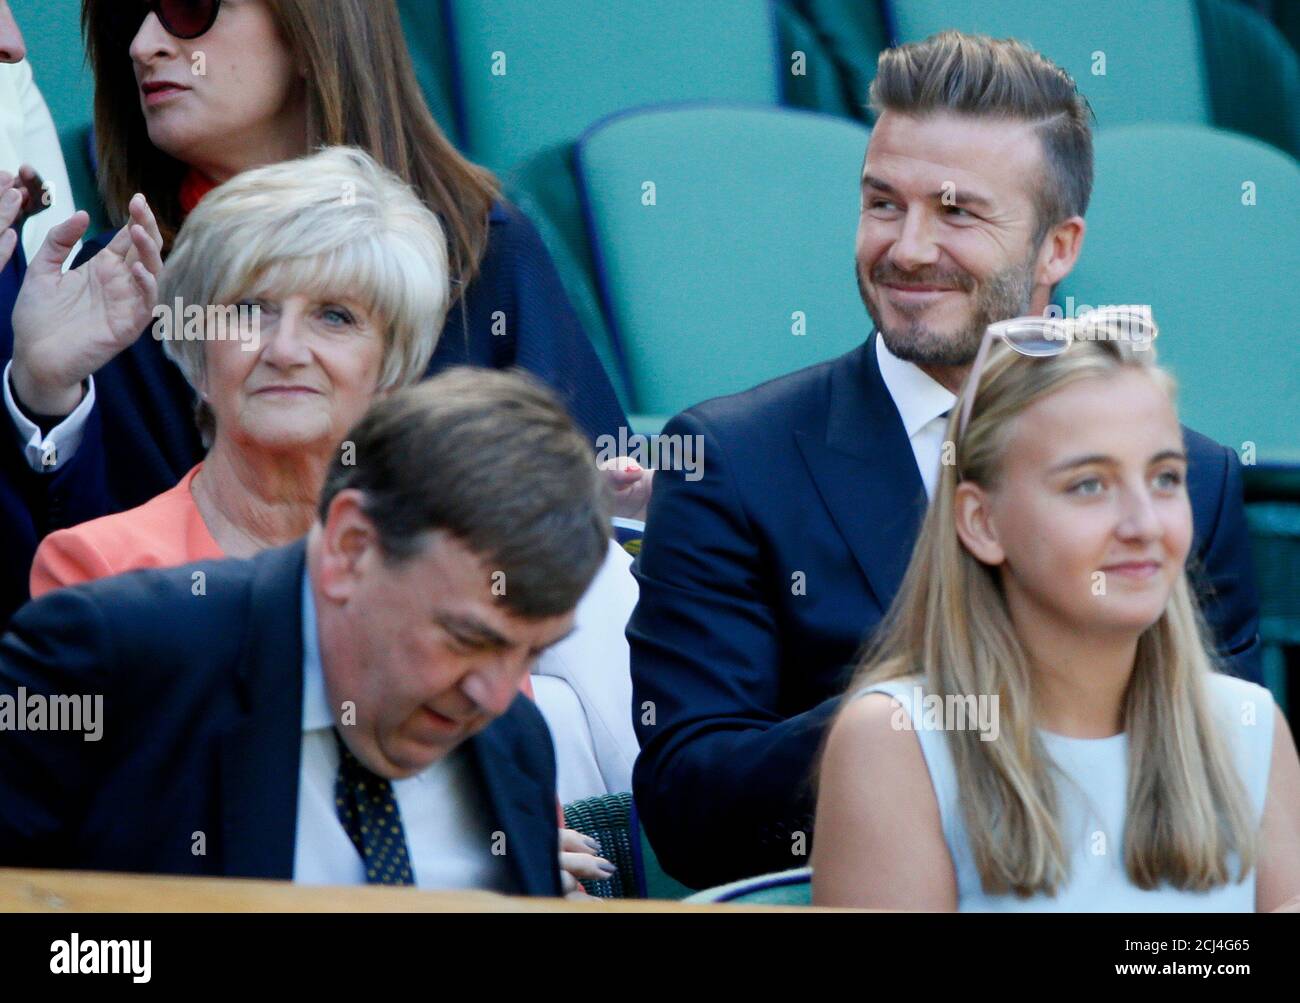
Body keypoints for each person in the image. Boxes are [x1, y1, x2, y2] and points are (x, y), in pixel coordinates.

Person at [629, 31, 1264, 890]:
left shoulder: (1194, 482)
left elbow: (1229, 807)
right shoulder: (730, 460)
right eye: (883, 203)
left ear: (1059, 247)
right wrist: (958, 693)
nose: (909, 248)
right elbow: (689, 811)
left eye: (957, 211)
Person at [26, 145, 639, 811]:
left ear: (392, 368)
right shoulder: (100, 568)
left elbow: (503, 802)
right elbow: (119, 827)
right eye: (250, 310)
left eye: (335, 316)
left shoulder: (458, 563)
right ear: (198, 353)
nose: (286, 349)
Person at [0, 0, 641, 624]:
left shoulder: (480, 250)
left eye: (187, 7)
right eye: (126, 16)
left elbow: (591, 547)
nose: (143, 45)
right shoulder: (104, 290)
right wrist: (44, 395)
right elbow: (63, 620)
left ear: (310, 30)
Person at [0, 368, 610, 894]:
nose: (494, 696)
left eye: (530, 653)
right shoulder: (114, 659)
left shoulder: (514, 741)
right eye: (466, 639)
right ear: (350, 549)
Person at [813, 319, 1300, 911]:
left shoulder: (1248, 727)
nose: (1144, 524)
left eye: (1166, 478)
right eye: (1090, 485)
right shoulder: (898, 742)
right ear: (981, 523)